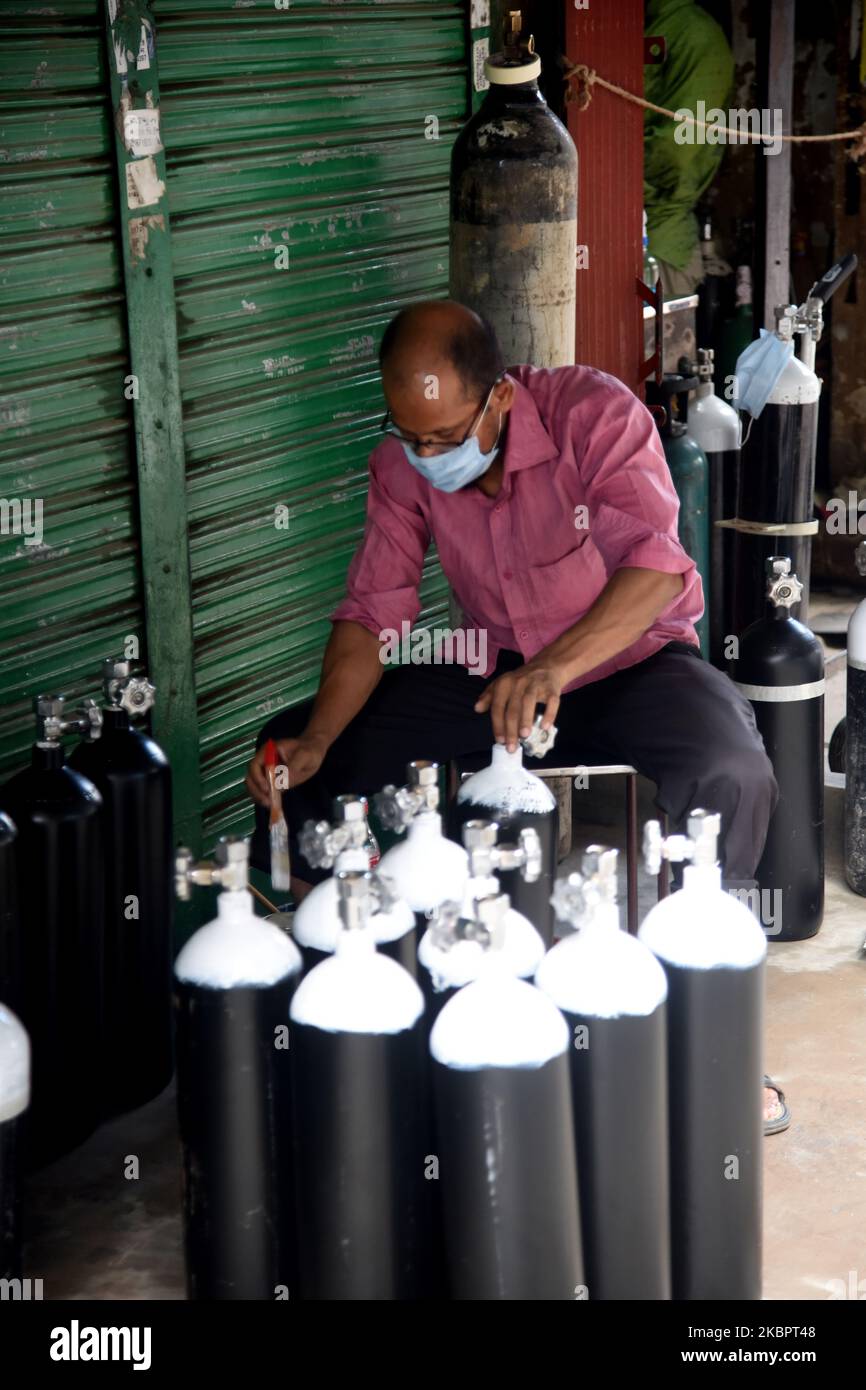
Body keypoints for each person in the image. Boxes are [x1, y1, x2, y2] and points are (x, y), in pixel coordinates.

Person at [246, 299, 786, 1132]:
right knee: (309, 756)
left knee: (730, 770)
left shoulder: (594, 415)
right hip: (492, 669)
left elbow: (654, 571)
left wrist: (554, 668)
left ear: (498, 398)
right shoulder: (403, 468)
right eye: (408, 435)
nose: (427, 456)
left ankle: (714, 1035)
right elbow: (372, 614)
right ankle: (364, 1010)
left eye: (444, 435)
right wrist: (316, 736)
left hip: (630, 661)